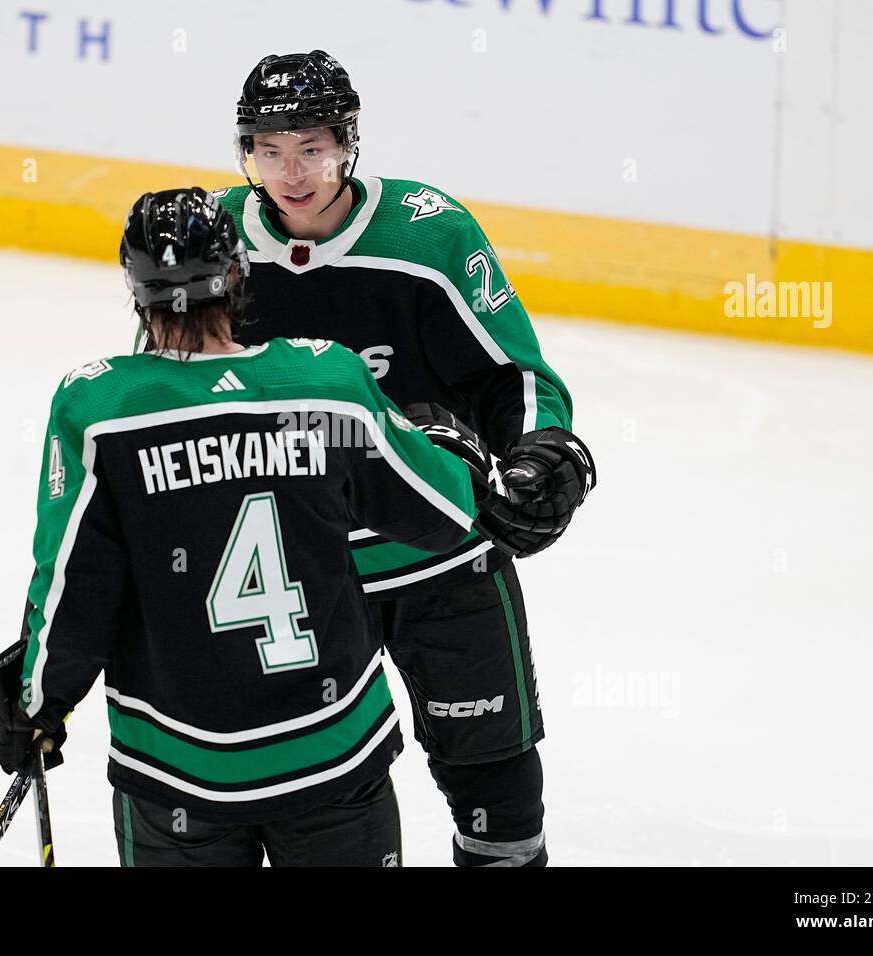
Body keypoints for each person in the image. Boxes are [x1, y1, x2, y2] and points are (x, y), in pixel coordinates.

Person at [0, 187, 495, 866]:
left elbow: (74, 584)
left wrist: (36, 700)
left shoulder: (101, 407)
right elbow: (444, 514)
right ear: (238, 275)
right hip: (331, 758)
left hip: (178, 775)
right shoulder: (326, 381)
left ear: (137, 292)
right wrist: (454, 448)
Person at [206, 50, 598, 866]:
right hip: (293, 580)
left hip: (438, 558)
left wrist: (537, 453)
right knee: (319, 806)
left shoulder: (430, 233)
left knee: (500, 799)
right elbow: (172, 409)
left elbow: (510, 377)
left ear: (349, 144)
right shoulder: (216, 245)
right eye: (268, 150)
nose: (291, 172)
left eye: (310, 147)